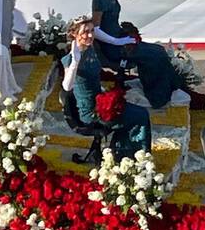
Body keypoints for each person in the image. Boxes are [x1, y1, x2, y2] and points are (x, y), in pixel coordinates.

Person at [91, 0, 186, 109]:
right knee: (154, 55)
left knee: (159, 50)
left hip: (121, 38)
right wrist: (116, 42)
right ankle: (157, 95)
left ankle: (166, 87)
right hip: (113, 45)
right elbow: (95, 29)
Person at [61, 17, 151, 160]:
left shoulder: (90, 48)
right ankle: (129, 156)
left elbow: (101, 35)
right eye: (85, 32)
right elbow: (67, 86)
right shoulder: (71, 58)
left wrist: (121, 42)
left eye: (91, 31)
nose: (90, 35)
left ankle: (125, 153)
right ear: (74, 34)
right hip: (91, 112)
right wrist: (75, 63)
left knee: (138, 112)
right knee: (140, 115)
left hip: (101, 102)